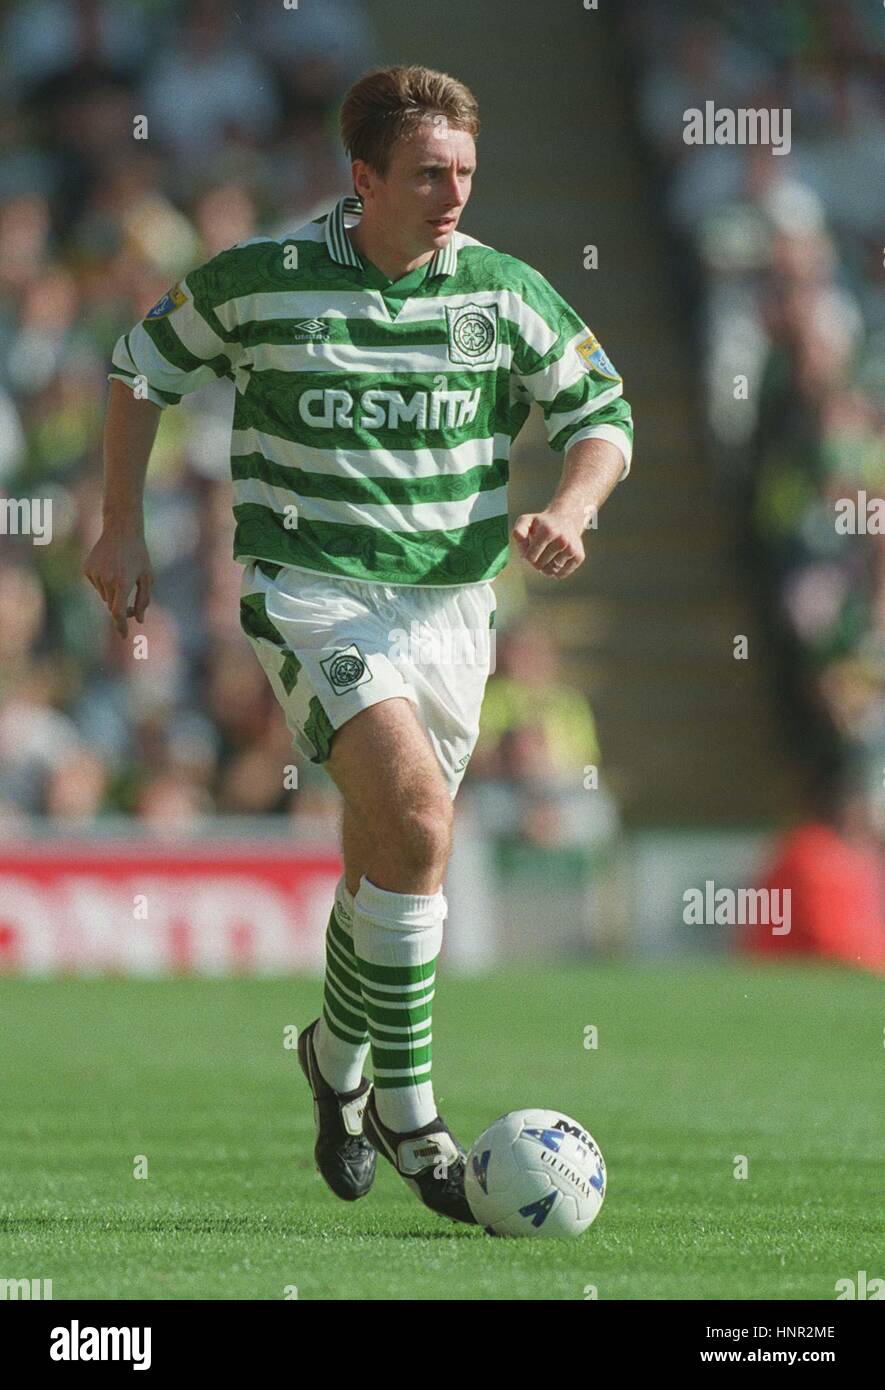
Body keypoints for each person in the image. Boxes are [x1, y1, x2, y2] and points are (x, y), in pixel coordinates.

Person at [84, 65, 634, 1224]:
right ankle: (408, 1106)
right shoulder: (263, 282)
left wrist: (572, 509)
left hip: (453, 609)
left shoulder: (505, 292)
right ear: (365, 176)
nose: (453, 194)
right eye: (430, 173)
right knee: (422, 823)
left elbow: (603, 420)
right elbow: (140, 369)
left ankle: (332, 1063)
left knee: (391, 857)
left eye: (467, 174)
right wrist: (119, 523)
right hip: (311, 591)